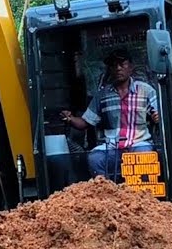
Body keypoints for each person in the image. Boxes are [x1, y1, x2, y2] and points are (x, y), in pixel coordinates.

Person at [60, 48, 160, 178]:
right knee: (95, 158)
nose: (118, 68)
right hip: (112, 147)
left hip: (139, 144)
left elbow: (161, 115)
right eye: (114, 65)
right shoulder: (102, 95)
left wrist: (158, 117)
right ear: (110, 70)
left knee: (145, 157)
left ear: (131, 67)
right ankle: (108, 193)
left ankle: (142, 195)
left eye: (122, 64)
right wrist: (70, 119)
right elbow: (85, 122)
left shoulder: (146, 90)